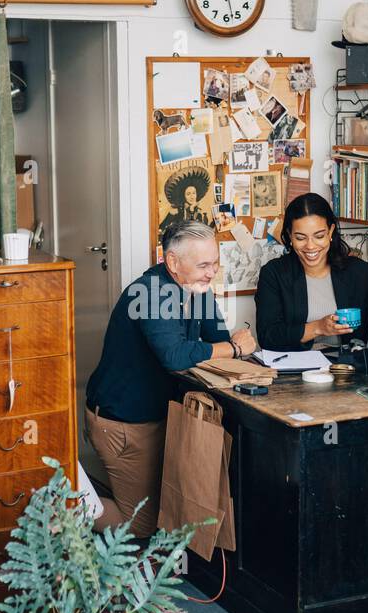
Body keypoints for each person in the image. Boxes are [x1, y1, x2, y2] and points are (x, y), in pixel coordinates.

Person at [84, 221, 256, 536]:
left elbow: (214, 338)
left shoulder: (197, 287)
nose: (212, 272)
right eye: (204, 264)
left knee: (168, 507)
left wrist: (230, 347)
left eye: (215, 263)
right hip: (124, 423)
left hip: (158, 416)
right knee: (139, 525)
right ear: (172, 262)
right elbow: (175, 355)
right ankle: (63, 505)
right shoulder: (149, 292)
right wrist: (232, 347)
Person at [254, 193, 368, 352]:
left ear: (330, 232)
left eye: (319, 236)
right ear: (290, 236)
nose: (310, 246)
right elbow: (268, 337)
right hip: (295, 370)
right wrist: (317, 328)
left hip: (351, 368)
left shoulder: (361, 273)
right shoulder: (274, 274)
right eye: (300, 238)